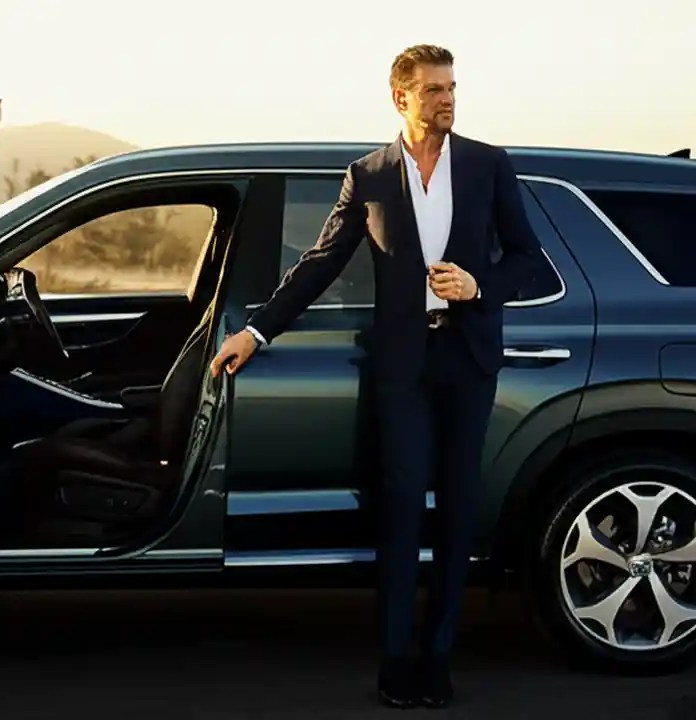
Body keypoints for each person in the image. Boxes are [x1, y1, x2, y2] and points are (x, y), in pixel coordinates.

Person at [209, 44, 542, 709]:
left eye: (452, 87)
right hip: (403, 368)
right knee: (400, 511)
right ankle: (395, 661)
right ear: (401, 98)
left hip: (468, 362)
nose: (448, 99)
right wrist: (257, 330)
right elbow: (320, 262)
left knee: (457, 512)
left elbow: (530, 261)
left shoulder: (487, 164)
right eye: (434, 90)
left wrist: (478, 285)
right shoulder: (368, 175)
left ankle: (438, 658)